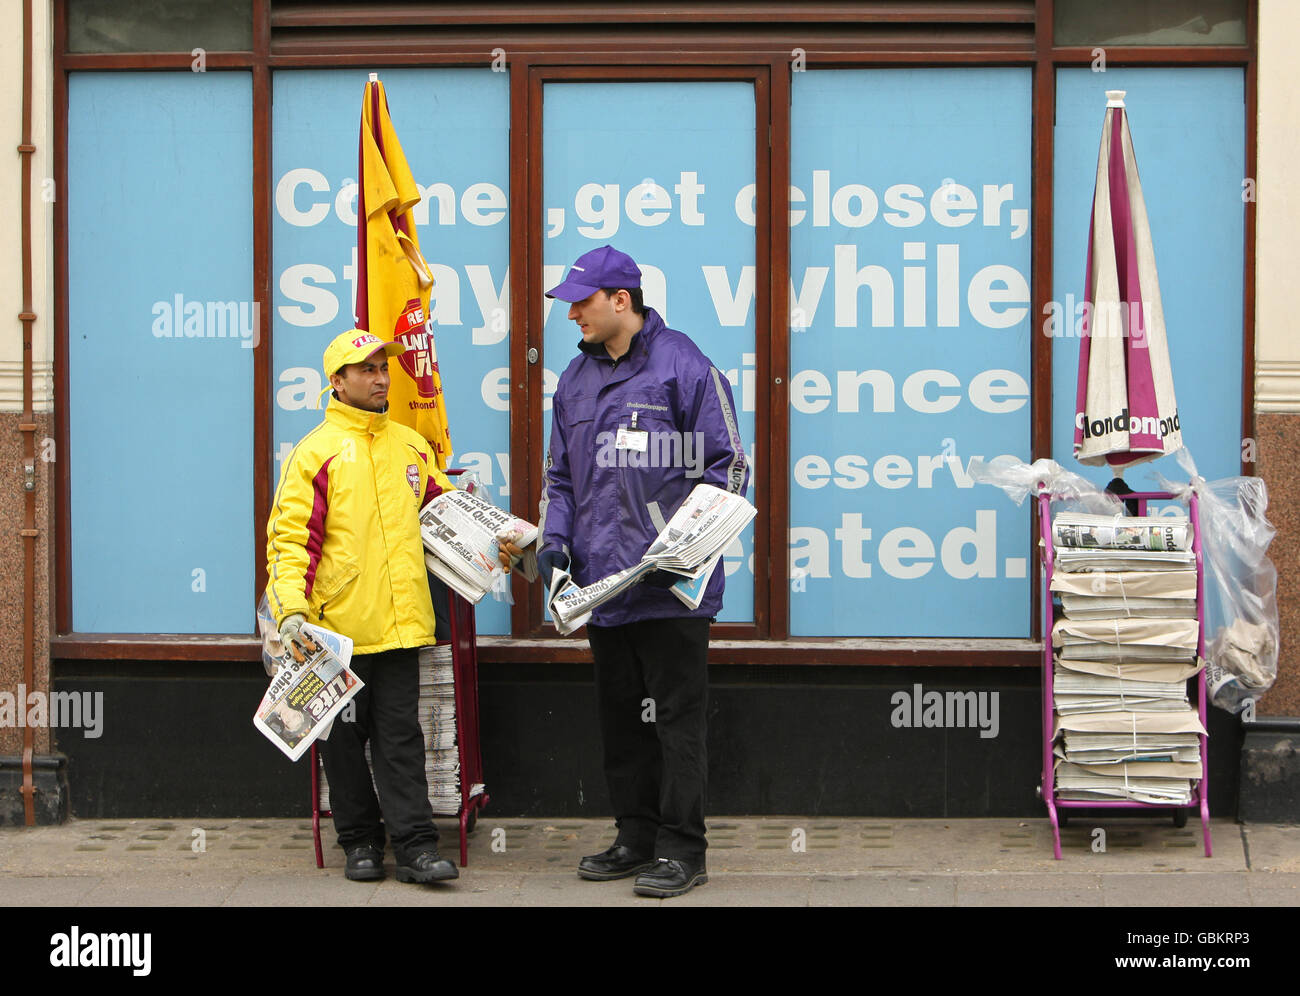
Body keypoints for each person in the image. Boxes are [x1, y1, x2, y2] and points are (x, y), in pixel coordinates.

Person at [265, 328, 516, 884]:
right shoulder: (315, 453)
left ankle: (416, 847)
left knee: (402, 737)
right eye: (368, 370)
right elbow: (290, 541)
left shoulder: (409, 444)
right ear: (338, 381)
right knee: (343, 742)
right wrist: (291, 613)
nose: (381, 379)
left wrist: (496, 538)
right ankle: (359, 843)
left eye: (385, 368)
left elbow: (441, 514)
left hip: (403, 625)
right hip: (336, 632)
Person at [538, 245, 749, 898]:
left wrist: (685, 544)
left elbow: (729, 467)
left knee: (680, 722)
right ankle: (635, 837)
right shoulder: (573, 381)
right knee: (620, 721)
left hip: (669, 592)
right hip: (602, 589)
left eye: (582, 300)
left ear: (620, 301)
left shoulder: (683, 364)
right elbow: (561, 479)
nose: (572, 312)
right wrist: (555, 544)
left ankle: (684, 850)